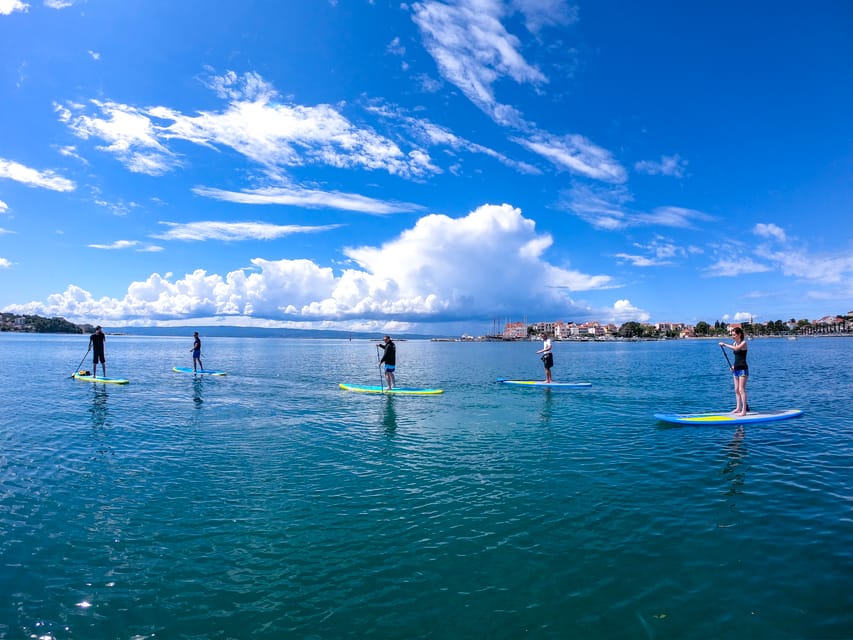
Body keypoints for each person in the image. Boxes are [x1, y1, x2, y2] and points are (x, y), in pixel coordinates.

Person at [720, 327, 748, 415]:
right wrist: (733, 366)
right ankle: (738, 408)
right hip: (736, 369)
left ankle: (744, 410)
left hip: (743, 369)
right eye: (732, 335)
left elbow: (736, 349)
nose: (733, 336)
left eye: (734, 334)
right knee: (736, 390)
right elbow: (737, 358)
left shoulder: (743, 343)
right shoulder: (734, 343)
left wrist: (724, 344)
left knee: (741, 389)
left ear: (739, 334)